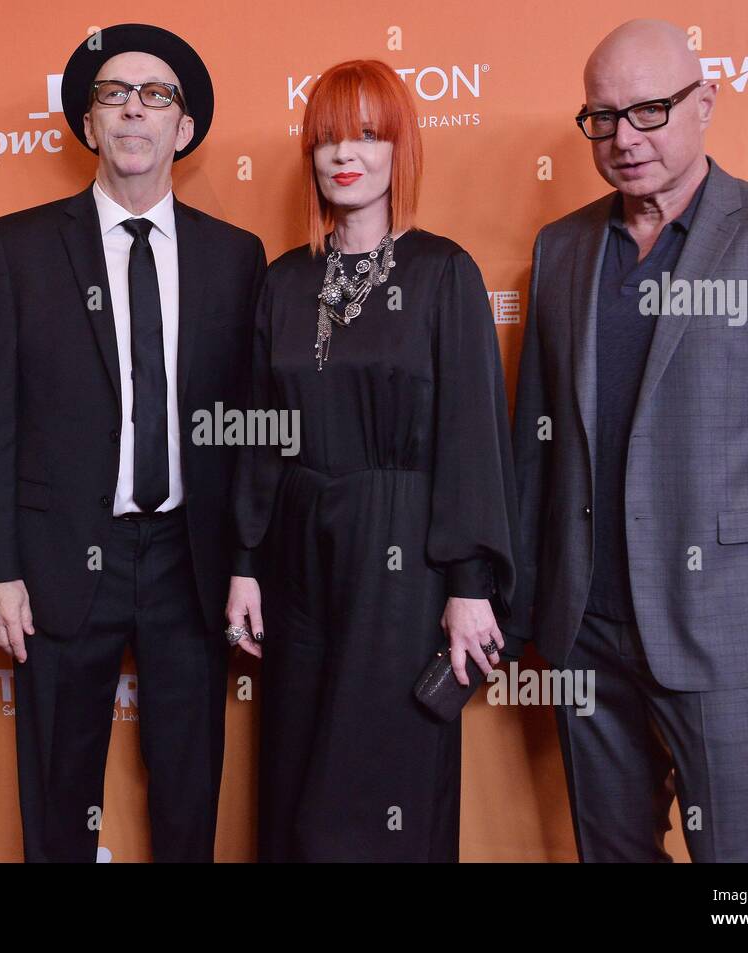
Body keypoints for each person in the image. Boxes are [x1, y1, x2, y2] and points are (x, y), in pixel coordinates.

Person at [506, 19, 748, 862]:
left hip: (728, 626)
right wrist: (525, 606)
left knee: (743, 863)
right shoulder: (561, 250)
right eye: (602, 117)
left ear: (705, 103)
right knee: (612, 851)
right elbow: (537, 447)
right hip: (586, 626)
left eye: (650, 111)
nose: (625, 139)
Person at [0, 23, 266, 862]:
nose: (135, 110)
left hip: (189, 559)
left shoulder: (237, 258)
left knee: (188, 799)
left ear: (185, 128)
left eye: (156, 95)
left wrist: (247, 560)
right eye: (114, 94)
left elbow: (245, 432)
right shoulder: (19, 246)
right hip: (58, 556)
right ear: (88, 124)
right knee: (59, 803)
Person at [227, 59, 519, 862]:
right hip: (296, 550)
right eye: (325, 138)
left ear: (401, 148)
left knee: (377, 785)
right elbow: (257, 427)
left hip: (403, 558)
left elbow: (471, 436)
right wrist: (246, 561)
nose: (342, 154)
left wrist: (467, 586)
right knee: (294, 777)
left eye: (365, 133)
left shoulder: (443, 272)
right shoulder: (283, 281)